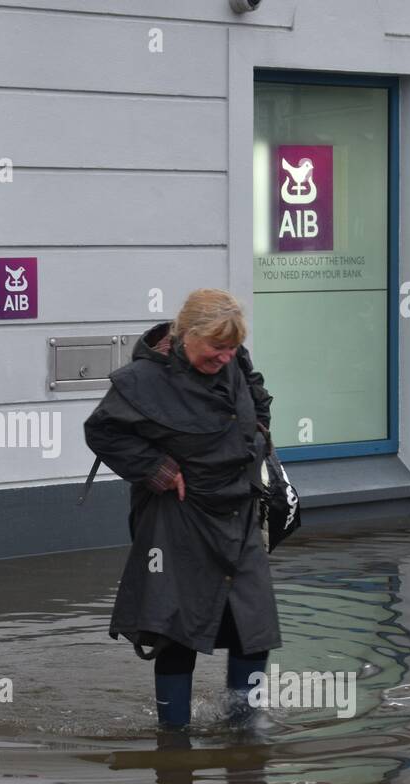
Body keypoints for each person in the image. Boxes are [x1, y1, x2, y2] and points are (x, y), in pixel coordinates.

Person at [83, 289, 282, 731]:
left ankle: (244, 721)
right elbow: (102, 432)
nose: (226, 358)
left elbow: (259, 396)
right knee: (176, 630)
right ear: (186, 335)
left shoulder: (236, 360)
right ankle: (173, 734)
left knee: (253, 624)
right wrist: (156, 468)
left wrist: (260, 433)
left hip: (239, 511)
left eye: (232, 348)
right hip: (179, 518)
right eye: (216, 348)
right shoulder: (139, 381)